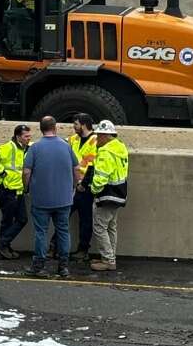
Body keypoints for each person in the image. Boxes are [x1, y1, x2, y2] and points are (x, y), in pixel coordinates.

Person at [22, 115, 81, 278]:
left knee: (41, 232)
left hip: (41, 198)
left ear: (41, 129)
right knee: (63, 230)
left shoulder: (35, 148)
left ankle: (38, 266)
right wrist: (75, 187)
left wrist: (26, 187)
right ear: (55, 128)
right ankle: (63, 266)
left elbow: (26, 172)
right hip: (64, 198)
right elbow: (77, 168)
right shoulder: (66, 146)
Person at [87, 120, 129, 272]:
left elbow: (102, 176)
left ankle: (108, 260)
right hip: (119, 193)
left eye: (98, 136)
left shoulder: (106, 151)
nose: (96, 139)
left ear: (105, 136)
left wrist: (94, 188)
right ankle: (110, 256)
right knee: (111, 227)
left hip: (106, 194)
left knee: (99, 227)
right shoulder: (120, 147)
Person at [0, 124, 31, 259]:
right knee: (8, 221)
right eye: (26, 136)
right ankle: (4, 246)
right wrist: (2, 172)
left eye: (29, 136)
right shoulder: (7, 147)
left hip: (19, 190)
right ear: (18, 137)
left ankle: (3, 244)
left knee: (21, 219)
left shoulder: (27, 148)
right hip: (8, 191)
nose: (29, 138)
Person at [68, 114, 98, 259]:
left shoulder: (95, 141)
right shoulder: (73, 139)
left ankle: (83, 250)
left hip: (85, 188)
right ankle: (54, 246)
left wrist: (83, 184)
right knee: (63, 215)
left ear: (84, 125)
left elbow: (93, 166)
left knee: (85, 219)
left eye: (76, 124)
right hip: (72, 184)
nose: (74, 127)